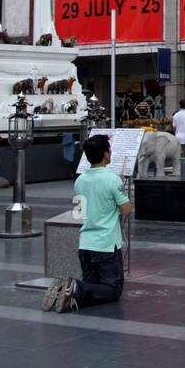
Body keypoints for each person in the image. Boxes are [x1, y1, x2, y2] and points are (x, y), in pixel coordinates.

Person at [43, 134, 130, 314]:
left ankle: (68, 292)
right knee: (113, 290)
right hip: (106, 243)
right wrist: (121, 186)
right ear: (106, 154)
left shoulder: (80, 180)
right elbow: (127, 210)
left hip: (86, 243)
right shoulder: (112, 179)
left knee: (94, 287)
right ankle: (75, 288)